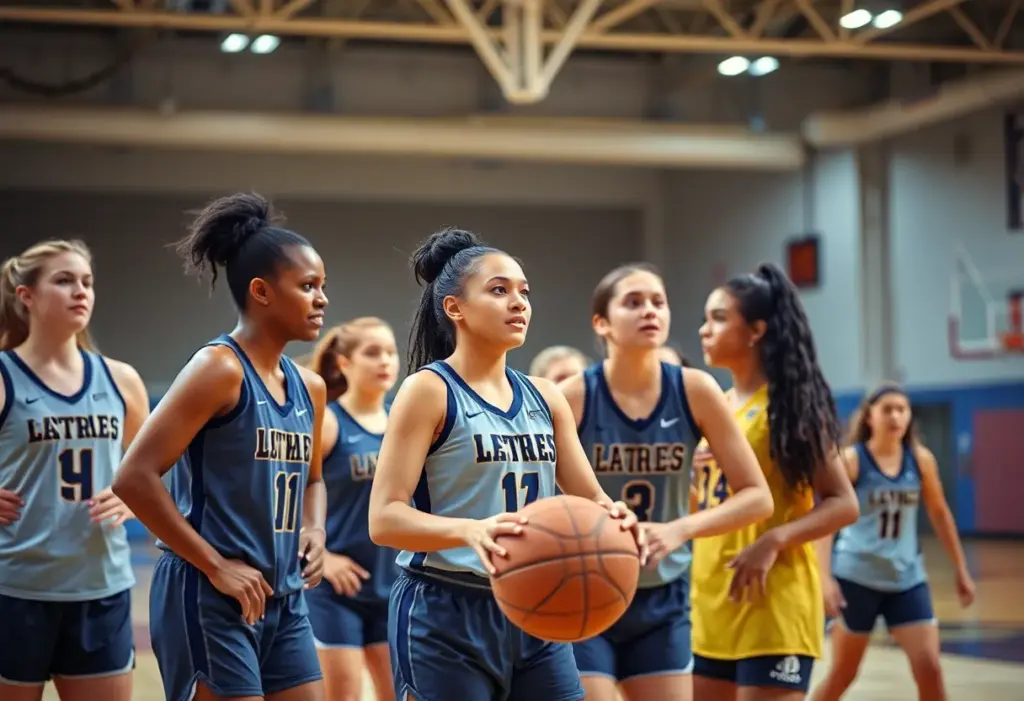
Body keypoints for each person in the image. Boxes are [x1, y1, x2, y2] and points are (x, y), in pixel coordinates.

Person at [367, 227, 646, 701]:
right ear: (454, 308)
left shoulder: (546, 396)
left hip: (537, 601)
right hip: (444, 608)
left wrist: (615, 516)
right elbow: (384, 518)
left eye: (524, 292)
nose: (519, 303)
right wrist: (470, 530)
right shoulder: (428, 391)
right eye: (499, 291)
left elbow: (591, 497)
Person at [111, 193, 330, 701]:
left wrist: (314, 529)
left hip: (283, 596)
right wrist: (216, 565)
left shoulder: (310, 387)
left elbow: (313, 479)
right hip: (208, 591)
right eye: (307, 286)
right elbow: (133, 477)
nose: (321, 299)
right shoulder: (219, 369)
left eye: (323, 286)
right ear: (261, 291)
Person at [561, 263, 774, 701]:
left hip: (663, 596)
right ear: (601, 322)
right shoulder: (573, 396)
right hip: (584, 587)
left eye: (658, 302)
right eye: (633, 302)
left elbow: (757, 497)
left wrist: (680, 529)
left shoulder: (695, 390)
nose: (649, 311)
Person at [691, 262, 860, 701]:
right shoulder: (717, 405)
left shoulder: (790, 407)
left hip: (775, 601)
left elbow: (843, 502)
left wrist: (773, 540)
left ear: (756, 330)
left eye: (718, 318)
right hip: (712, 599)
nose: (704, 330)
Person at [0, 239, 149, 701]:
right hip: (15, 587)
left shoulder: (120, 379)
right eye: (63, 281)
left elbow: (153, 469)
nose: (80, 291)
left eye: (87, 282)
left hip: (100, 586)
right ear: (26, 296)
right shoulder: (4, 375)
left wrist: (131, 496)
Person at [811, 382, 975, 701]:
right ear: (869, 416)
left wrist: (961, 568)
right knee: (843, 674)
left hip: (906, 579)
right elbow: (825, 522)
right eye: (888, 409)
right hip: (856, 579)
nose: (896, 416)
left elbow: (940, 514)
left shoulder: (920, 460)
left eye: (902, 409)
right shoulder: (852, 460)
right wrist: (824, 577)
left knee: (930, 668)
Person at [305, 317, 399, 701]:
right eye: (372, 352)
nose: (385, 361)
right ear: (344, 363)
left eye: (391, 352)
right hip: (335, 589)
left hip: (390, 585)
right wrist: (322, 557)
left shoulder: (402, 421)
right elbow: (288, 493)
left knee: (399, 693)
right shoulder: (328, 422)